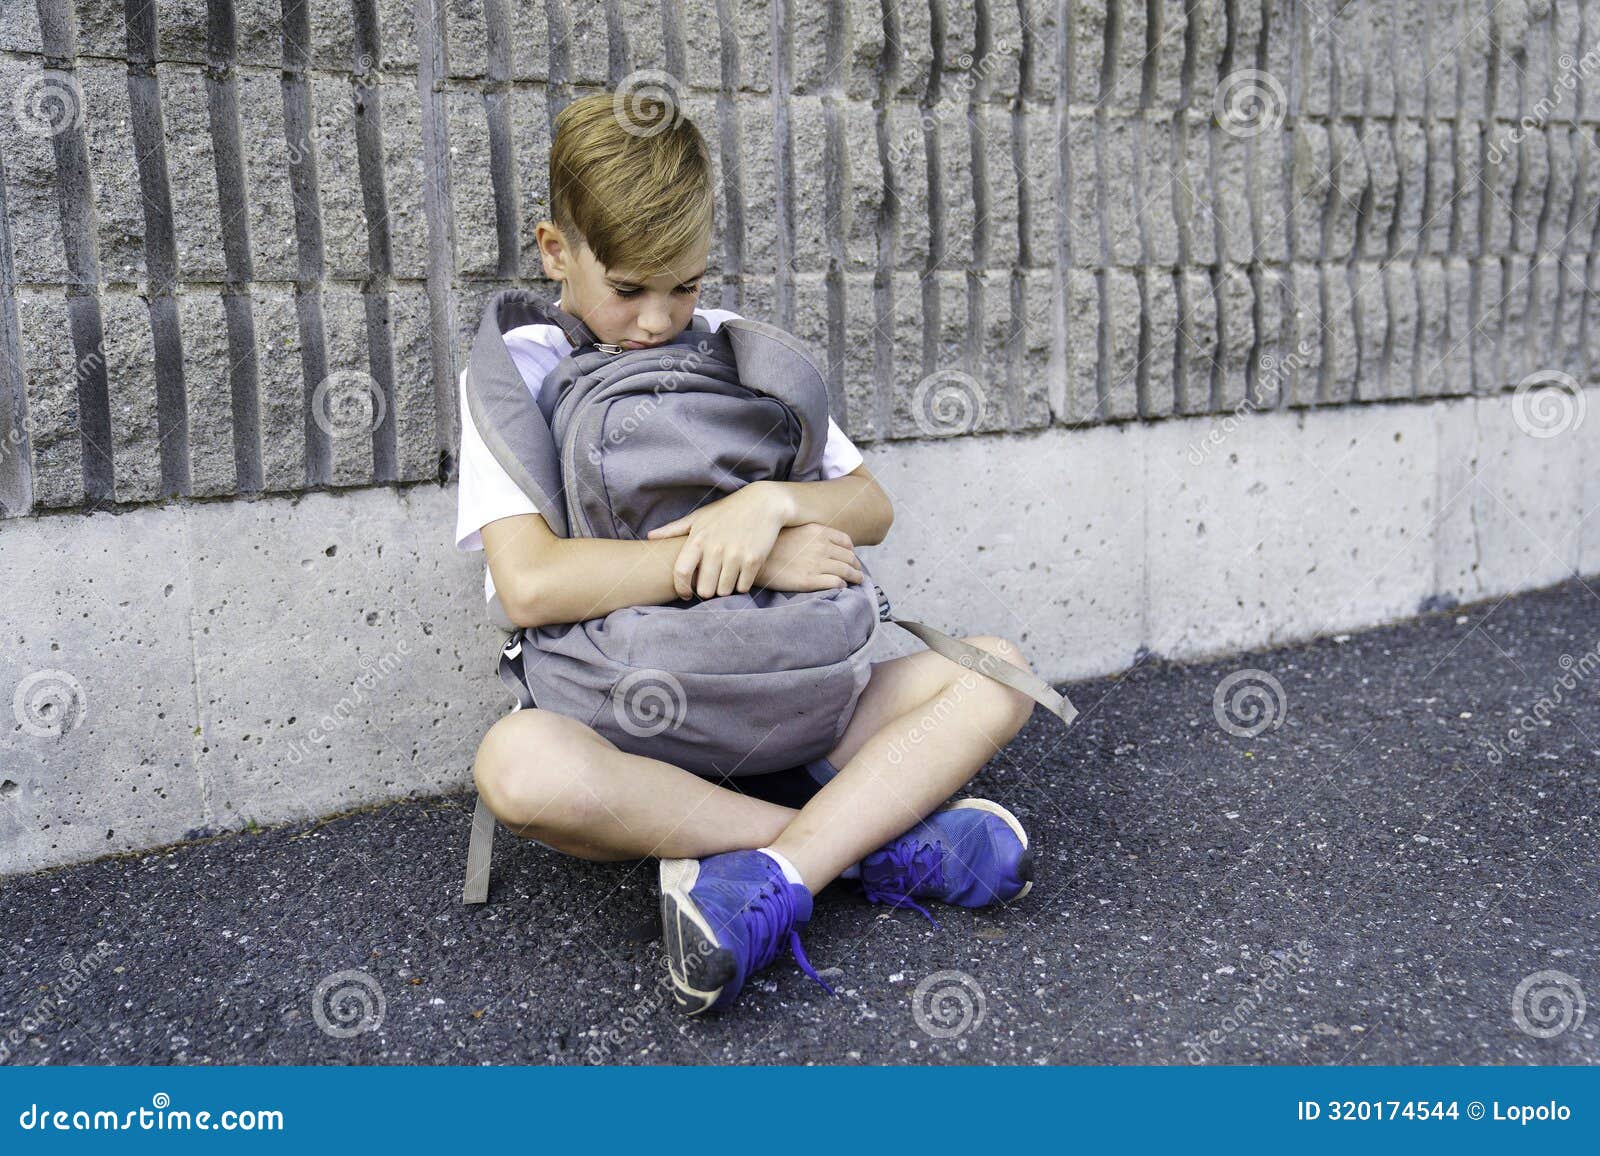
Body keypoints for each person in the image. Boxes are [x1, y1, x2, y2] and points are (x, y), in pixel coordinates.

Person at [458, 91, 1040, 1014]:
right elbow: (530, 586)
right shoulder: (518, 371)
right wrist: (752, 561)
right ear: (555, 251)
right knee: (518, 766)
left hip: (785, 693)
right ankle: (856, 847)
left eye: (683, 284)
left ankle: (772, 870)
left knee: (1002, 672)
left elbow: (869, 506)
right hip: (638, 731)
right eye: (629, 288)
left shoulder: (728, 353)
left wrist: (770, 503)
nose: (657, 319)